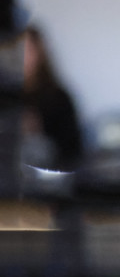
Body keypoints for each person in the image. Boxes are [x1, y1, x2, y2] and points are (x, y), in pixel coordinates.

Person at [22, 24, 83, 172]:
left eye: (26, 50)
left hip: (46, 178)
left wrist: (36, 131)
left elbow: (73, 154)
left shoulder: (59, 99)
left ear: (39, 53)